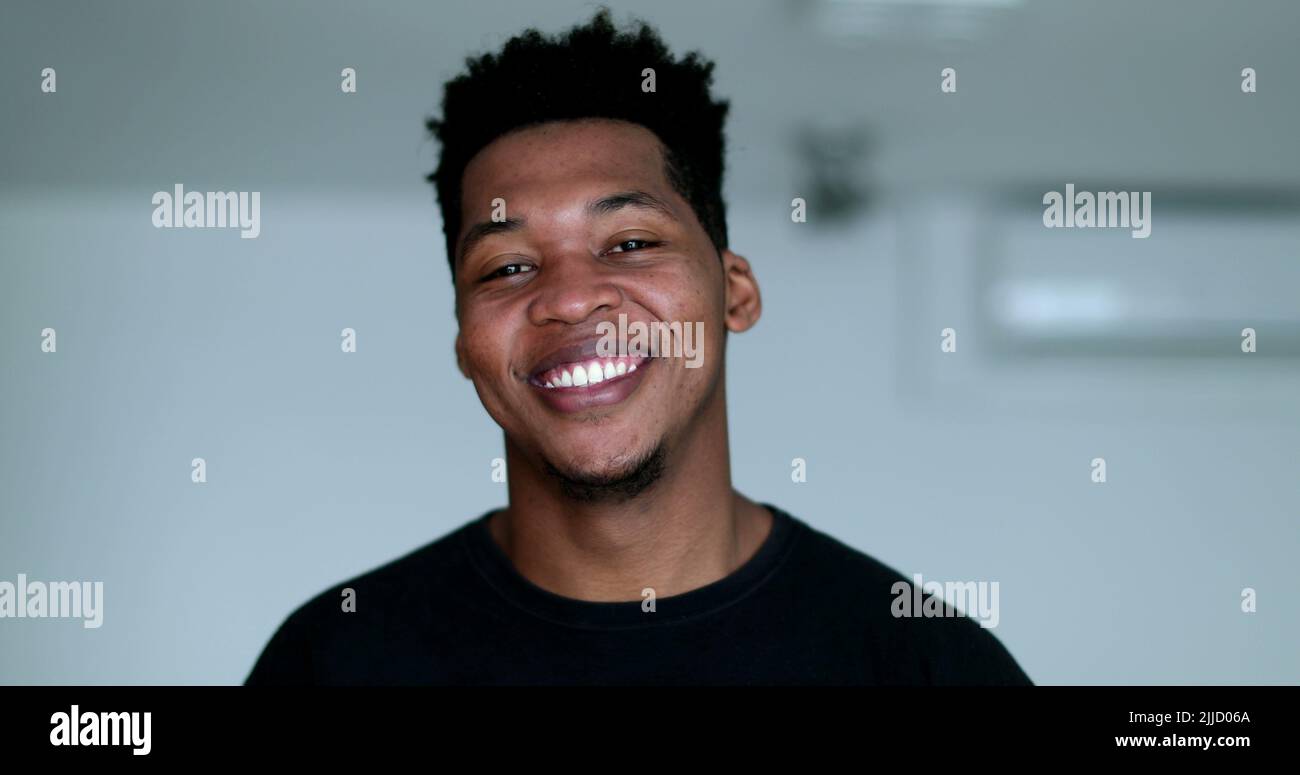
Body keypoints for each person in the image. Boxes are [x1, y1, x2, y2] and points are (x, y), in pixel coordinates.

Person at [245, 6, 1031, 686]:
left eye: (627, 242)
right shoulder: (333, 659)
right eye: (508, 265)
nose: (568, 297)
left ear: (735, 292)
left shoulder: (926, 662)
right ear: (464, 344)